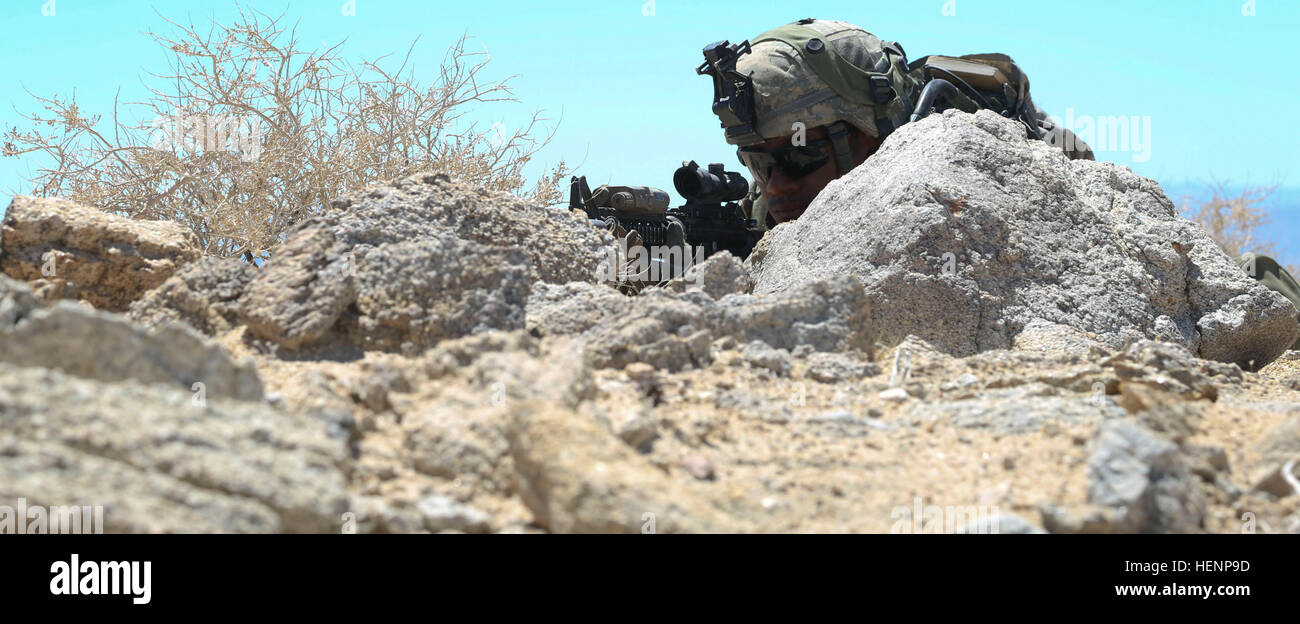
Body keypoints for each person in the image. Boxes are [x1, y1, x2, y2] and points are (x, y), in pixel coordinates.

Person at [696, 18, 1091, 228]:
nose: (776, 186)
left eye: (802, 155)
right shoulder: (769, 205)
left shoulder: (967, 190)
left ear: (874, 132)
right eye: (756, 164)